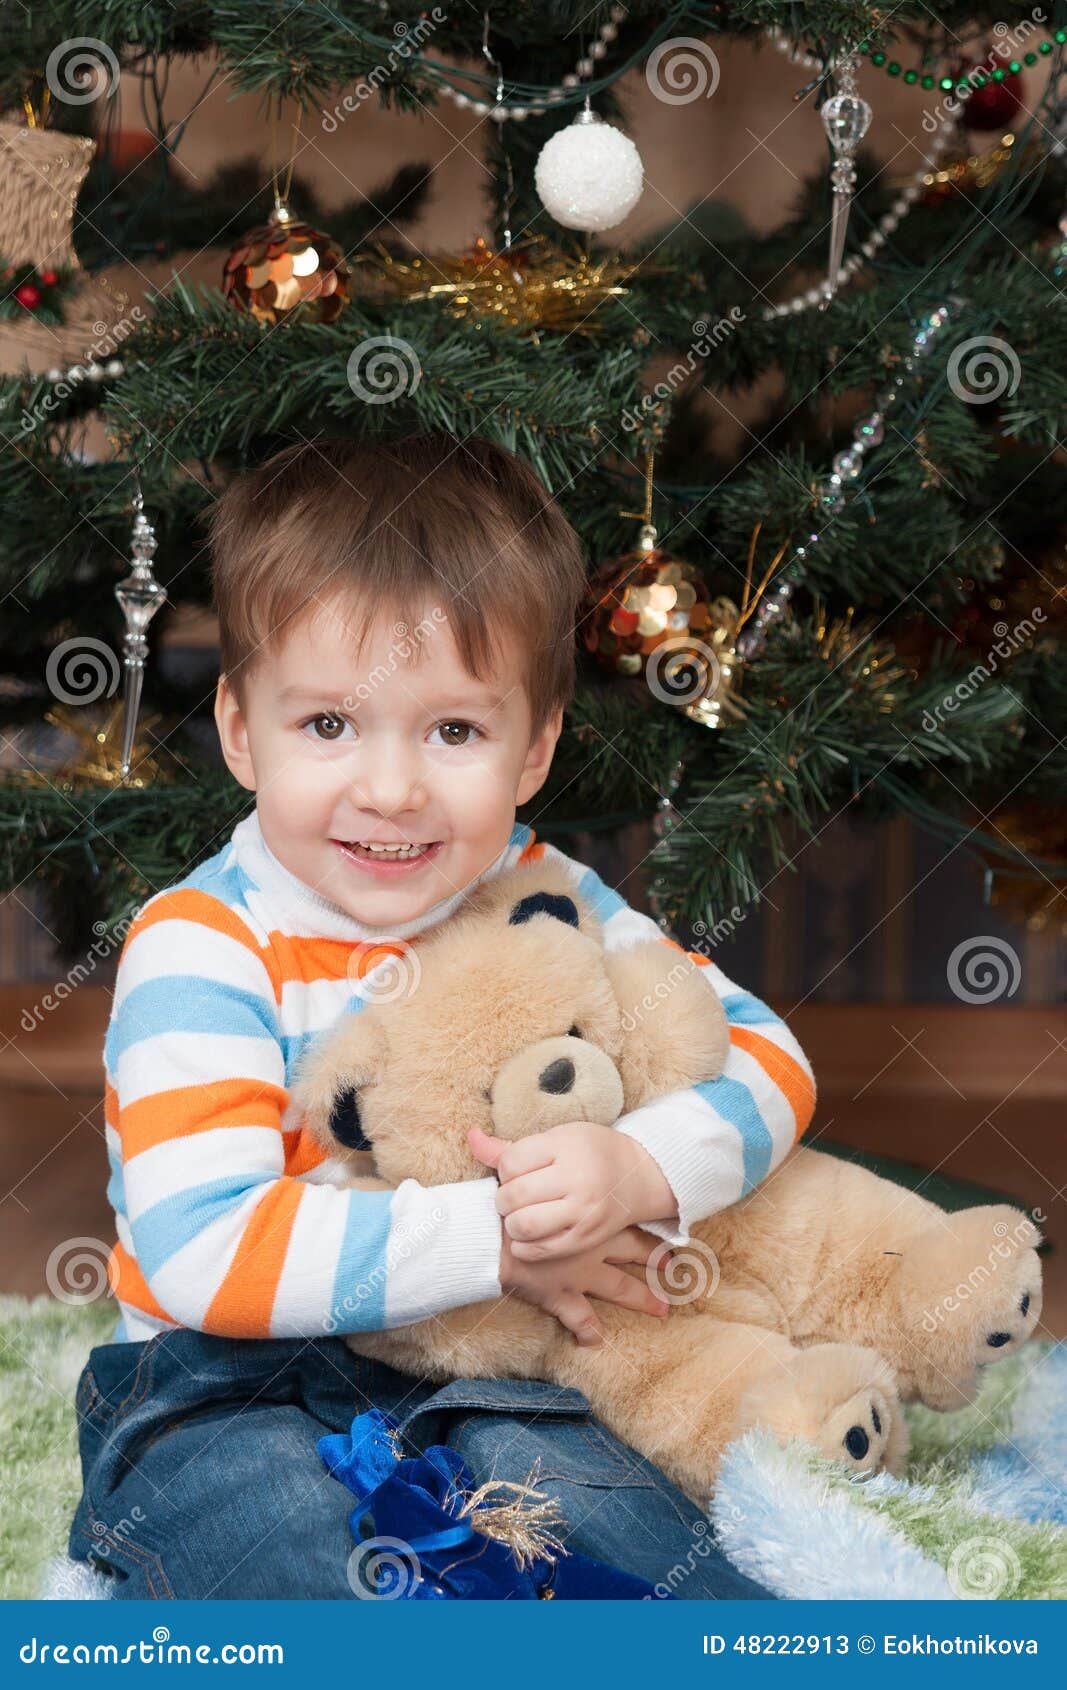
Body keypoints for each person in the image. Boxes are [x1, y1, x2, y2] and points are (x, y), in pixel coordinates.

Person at [68, 434, 815, 1600]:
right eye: (328, 726)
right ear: (237, 730)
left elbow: (766, 1058)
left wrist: (637, 1164)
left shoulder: (542, 892)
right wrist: (497, 1241)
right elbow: (205, 1247)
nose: (391, 788)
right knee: (274, 1531)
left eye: (453, 731)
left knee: (602, 1510)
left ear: (533, 747)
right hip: (222, 1382)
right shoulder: (200, 944)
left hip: (492, 1358)